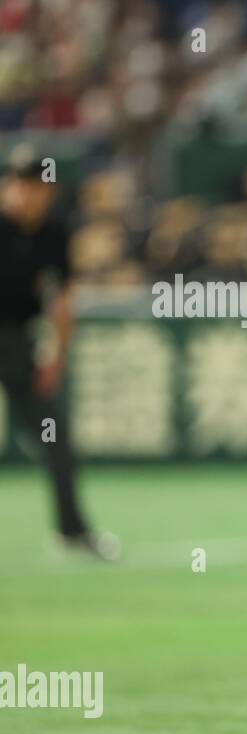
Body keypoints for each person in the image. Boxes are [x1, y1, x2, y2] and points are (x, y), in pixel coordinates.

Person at [0, 144, 117, 560]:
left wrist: (55, 357)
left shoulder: (55, 233)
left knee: (55, 437)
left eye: (33, 185)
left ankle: (71, 531)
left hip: (18, 344)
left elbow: (64, 300)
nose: (22, 192)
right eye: (16, 183)